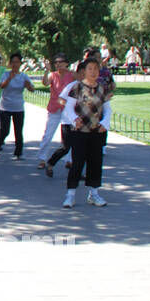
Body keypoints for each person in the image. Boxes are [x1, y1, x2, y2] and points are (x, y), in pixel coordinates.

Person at [60, 56, 112, 208]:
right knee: (77, 163)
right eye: (90, 69)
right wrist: (74, 119)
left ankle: (94, 194)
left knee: (95, 163)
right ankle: (70, 195)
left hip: (97, 131)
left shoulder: (102, 89)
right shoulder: (77, 87)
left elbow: (107, 109)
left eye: (96, 69)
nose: (93, 72)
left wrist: (105, 123)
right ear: (84, 71)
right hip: (79, 131)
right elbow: (69, 107)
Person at [0, 52, 34, 158]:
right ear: (10, 64)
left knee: (18, 132)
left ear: (20, 64)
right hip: (5, 107)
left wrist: (29, 86)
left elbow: (32, 89)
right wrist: (9, 78)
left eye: (17, 62)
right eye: (13, 62)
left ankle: (18, 153)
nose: (15, 64)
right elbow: (1, 86)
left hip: (18, 107)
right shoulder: (6, 74)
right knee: (5, 131)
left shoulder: (23, 76)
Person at [36, 54, 75, 169]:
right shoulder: (52, 75)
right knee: (48, 134)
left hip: (68, 109)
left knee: (69, 136)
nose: (58, 64)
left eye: (61, 62)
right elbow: (45, 83)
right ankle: (42, 159)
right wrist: (46, 71)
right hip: (54, 108)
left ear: (66, 63)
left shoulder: (72, 75)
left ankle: (69, 159)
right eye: (56, 62)